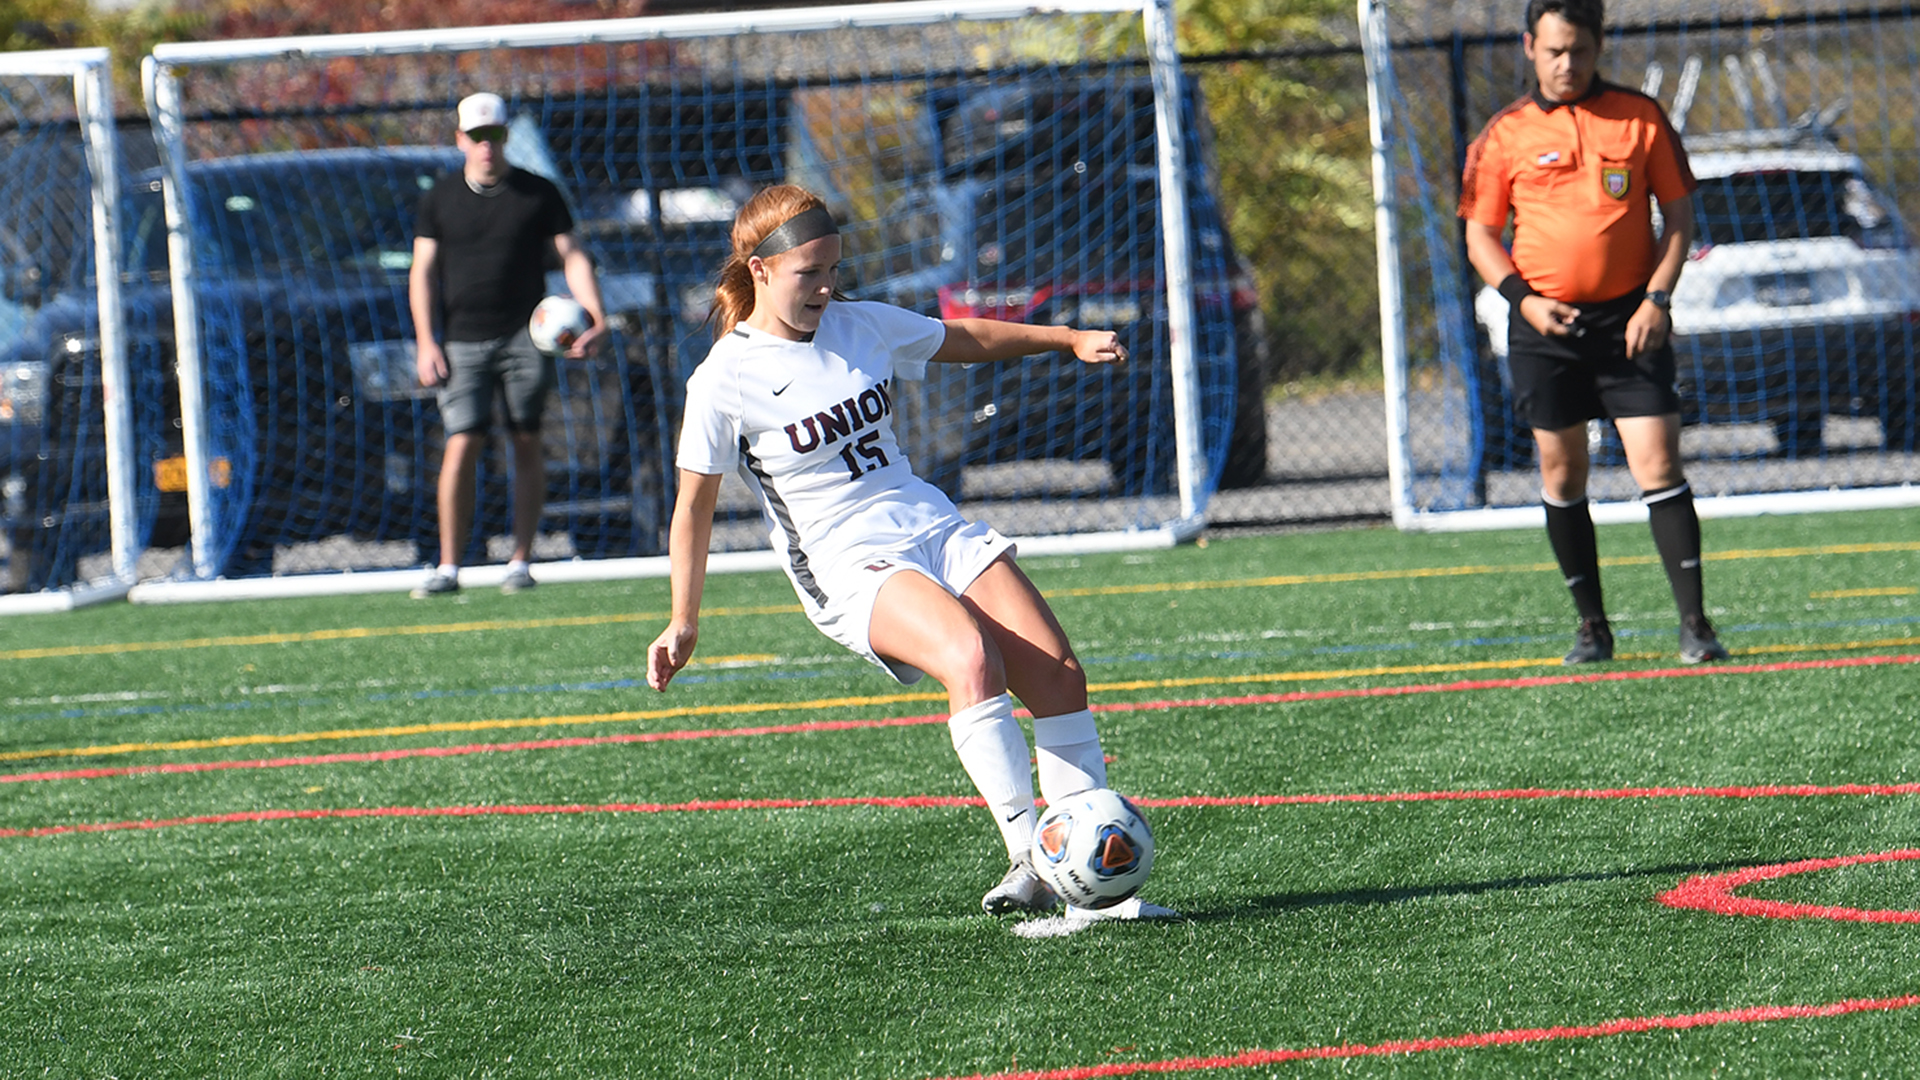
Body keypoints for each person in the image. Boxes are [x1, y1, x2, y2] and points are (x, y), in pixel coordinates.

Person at [645, 184, 1173, 920]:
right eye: (810, 273)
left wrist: (1067, 339)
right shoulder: (722, 382)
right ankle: (1031, 853)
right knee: (969, 655)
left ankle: (1094, 891)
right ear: (759, 270)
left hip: (929, 522)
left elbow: (966, 340)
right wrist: (683, 619)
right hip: (845, 561)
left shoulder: (861, 324)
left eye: (833, 267)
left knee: (1057, 675)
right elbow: (692, 508)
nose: (828, 286)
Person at [1459, 0, 1729, 665]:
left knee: (1659, 463)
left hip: (1630, 323)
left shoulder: (1640, 118)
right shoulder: (1504, 135)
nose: (1566, 64)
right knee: (1562, 468)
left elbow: (1680, 222)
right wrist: (1524, 301)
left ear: (1598, 46)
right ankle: (1592, 627)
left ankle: (1695, 626)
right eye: (1553, 51)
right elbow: (1480, 236)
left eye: (1578, 51)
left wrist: (1656, 301)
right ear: (1529, 47)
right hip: (1544, 327)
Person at [408, 91, 608, 598]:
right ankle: (449, 565)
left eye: (494, 135)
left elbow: (574, 256)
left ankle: (521, 560)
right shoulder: (440, 198)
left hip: (527, 337)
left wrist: (595, 316)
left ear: (505, 136)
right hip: (461, 340)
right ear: (461, 140)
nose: (486, 146)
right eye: (476, 137)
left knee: (526, 439)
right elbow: (422, 274)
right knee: (462, 442)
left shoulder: (538, 193)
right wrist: (427, 341)